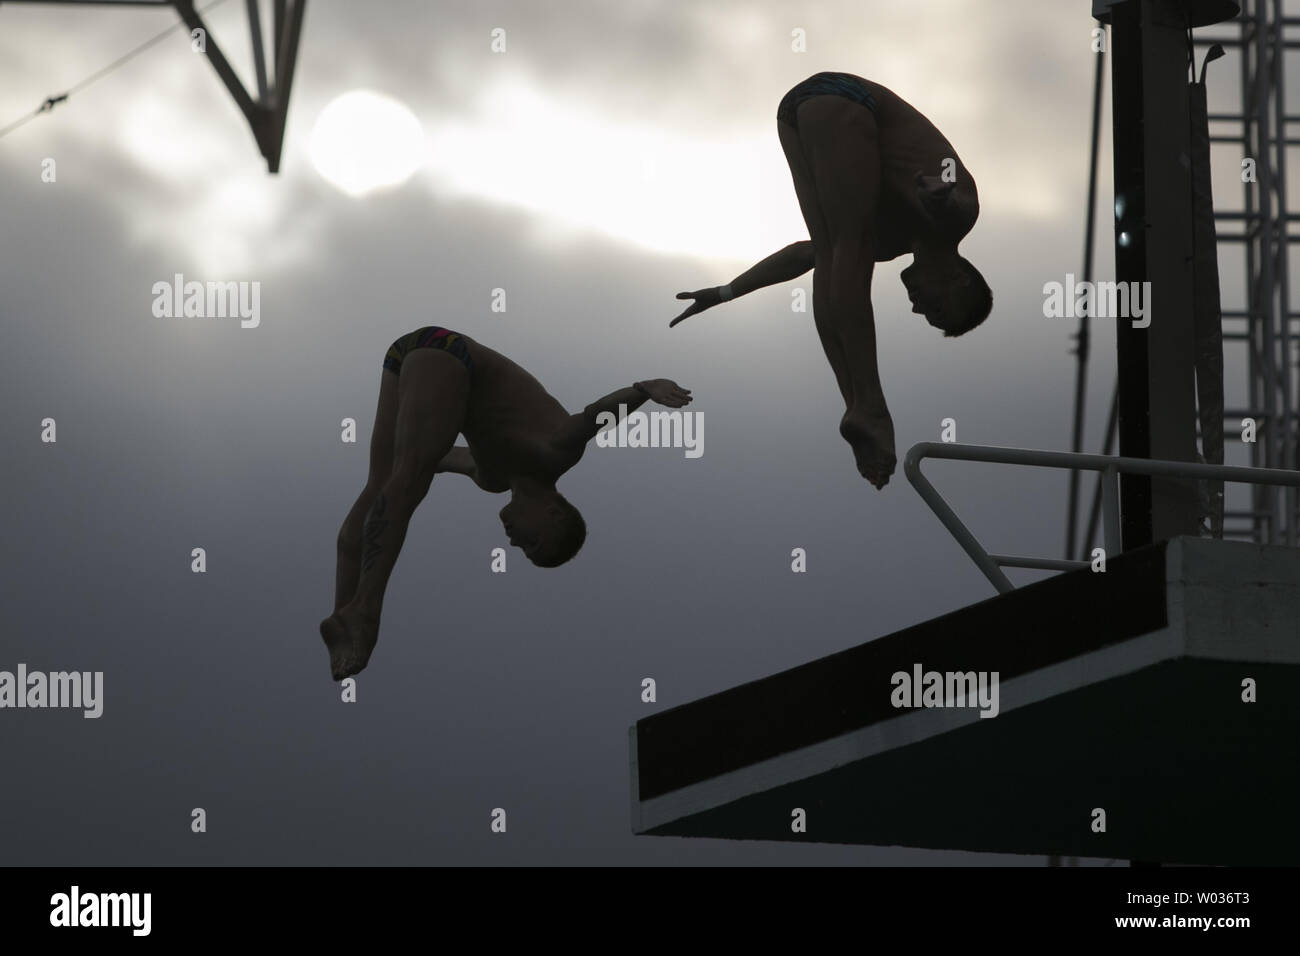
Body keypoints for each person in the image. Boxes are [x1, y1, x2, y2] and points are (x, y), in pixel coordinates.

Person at [671, 72, 991, 489]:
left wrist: (726, 291)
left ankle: (856, 404)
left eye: (922, 314)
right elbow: (957, 192)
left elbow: (803, 255)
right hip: (848, 102)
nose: (916, 305)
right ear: (960, 281)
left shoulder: (890, 240)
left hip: (794, 114)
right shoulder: (957, 220)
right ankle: (869, 405)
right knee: (847, 250)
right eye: (934, 306)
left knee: (831, 252)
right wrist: (940, 191)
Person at [321, 325, 692, 680]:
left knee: (385, 484)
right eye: (531, 541)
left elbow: (437, 458)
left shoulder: (489, 479)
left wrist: (408, 459)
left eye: (521, 549)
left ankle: (343, 611)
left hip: (407, 355)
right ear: (553, 513)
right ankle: (366, 611)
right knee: (406, 480)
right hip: (448, 351)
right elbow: (594, 417)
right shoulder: (554, 454)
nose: (513, 542)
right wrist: (645, 389)